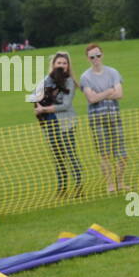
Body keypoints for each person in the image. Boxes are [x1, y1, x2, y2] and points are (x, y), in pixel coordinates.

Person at [80, 43, 128, 194]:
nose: (96, 59)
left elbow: (119, 94)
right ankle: (110, 185)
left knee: (121, 152)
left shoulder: (113, 72)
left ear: (102, 55)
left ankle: (120, 182)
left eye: (98, 56)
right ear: (87, 58)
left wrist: (99, 94)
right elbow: (91, 99)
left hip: (114, 116)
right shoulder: (85, 77)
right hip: (97, 119)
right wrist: (109, 91)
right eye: (92, 57)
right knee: (104, 153)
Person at [33, 51, 83, 197]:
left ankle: (79, 187)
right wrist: (37, 106)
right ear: (54, 64)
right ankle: (62, 188)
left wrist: (45, 108)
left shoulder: (69, 82)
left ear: (68, 66)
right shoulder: (46, 80)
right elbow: (35, 94)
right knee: (57, 156)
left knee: (70, 154)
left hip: (65, 122)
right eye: (59, 63)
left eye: (64, 63)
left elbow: (66, 105)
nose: (61, 65)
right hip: (49, 122)